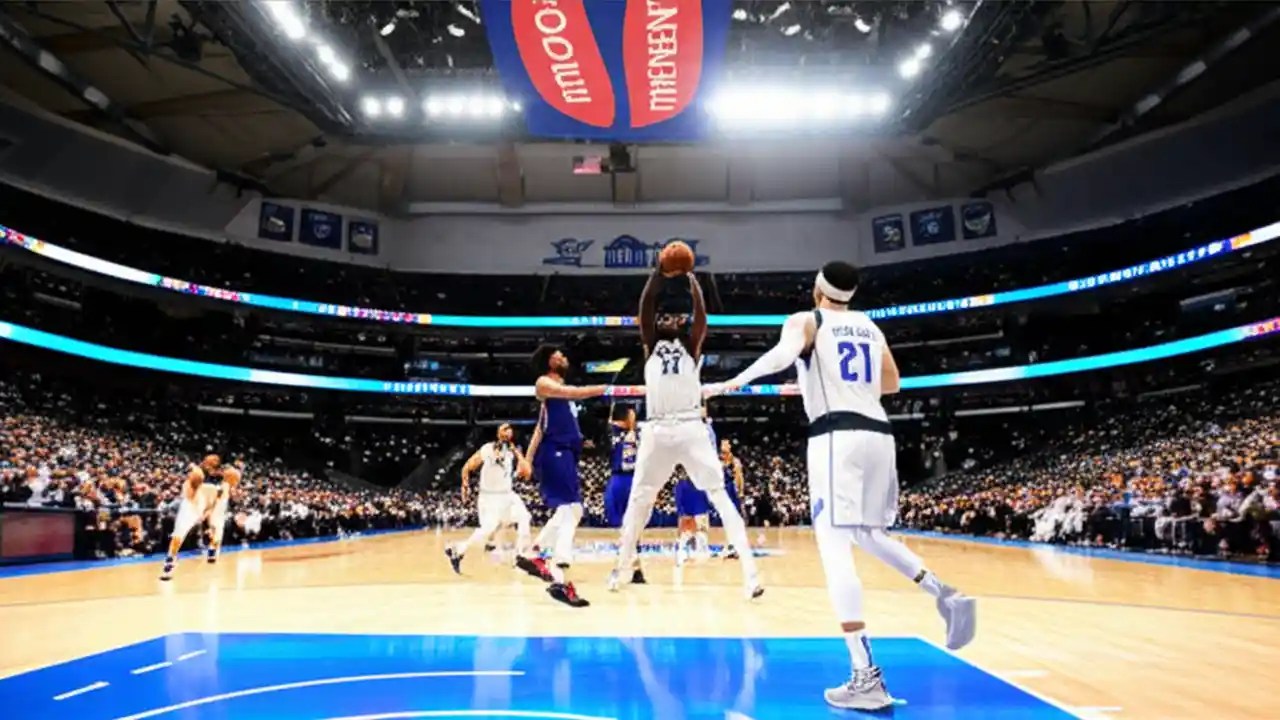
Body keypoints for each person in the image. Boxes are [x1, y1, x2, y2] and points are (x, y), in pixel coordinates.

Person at [718, 260, 976, 711]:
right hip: (879, 433)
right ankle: (946, 594)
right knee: (868, 534)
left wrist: (736, 380)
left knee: (834, 547)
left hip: (836, 435)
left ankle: (865, 677)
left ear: (817, 288)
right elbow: (892, 382)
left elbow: (781, 356)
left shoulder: (807, 320)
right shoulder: (868, 326)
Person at [607, 263, 762, 598]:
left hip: (691, 426)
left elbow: (701, 319)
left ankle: (751, 573)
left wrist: (693, 283)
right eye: (663, 318)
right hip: (658, 429)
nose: (667, 319)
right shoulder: (650, 345)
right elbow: (646, 308)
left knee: (720, 496)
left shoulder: (691, 346)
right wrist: (656, 276)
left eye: (673, 317)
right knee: (639, 501)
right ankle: (620, 569)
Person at [526, 345, 608, 607]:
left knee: (570, 511)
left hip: (565, 452)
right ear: (547, 361)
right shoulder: (544, 383)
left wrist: (527, 460)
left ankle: (534, 553)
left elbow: (541, 427)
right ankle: (559, 576)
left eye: (564, 353)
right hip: (555, 452)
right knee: (572, 510)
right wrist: (602, 389)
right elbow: (571, 392)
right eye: (558, 354)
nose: (564, 356)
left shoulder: (557, 399)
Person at [446, 423, 545, 579]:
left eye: (509, 429)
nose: (507, 431)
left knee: (524, 517)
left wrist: (518, 454)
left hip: (507, 495)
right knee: (487, 530)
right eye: (504, 429)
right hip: (489, 497)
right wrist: (465, 486)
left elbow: (527, 473)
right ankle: (458, 550)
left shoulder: (513, 453)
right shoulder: (487, 449)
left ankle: (521, 557)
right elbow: (467, 467)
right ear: (498, 433)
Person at [160, 454, 238, 580]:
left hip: (210, 503)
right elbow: (188, 487)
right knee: (179, 535)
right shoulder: (197, 471)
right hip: (192, 503)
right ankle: (170, 561)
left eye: (215, 460)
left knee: (217, 529)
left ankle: (212, 548)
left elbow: (223, 493)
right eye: (209, 459)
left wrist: (208, 512)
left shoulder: (223, 477)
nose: (212, 461)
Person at [604, 405, 647, 584]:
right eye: (632, 415)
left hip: (621, 480)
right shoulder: (636, 433)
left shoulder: (615, 432)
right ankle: (630, 567)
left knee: (628, 527)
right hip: (628, 481)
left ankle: (632, 566)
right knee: (629, 527)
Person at [719, 438, 746, 559]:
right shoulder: (718, 461)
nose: (723, 445)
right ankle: (731, 545)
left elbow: (739, 478)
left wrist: (740, 492)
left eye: (725, 443)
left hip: (732, 491)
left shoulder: (735, 461)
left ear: (730, 446)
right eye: (722, 443)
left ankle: (736, 546)